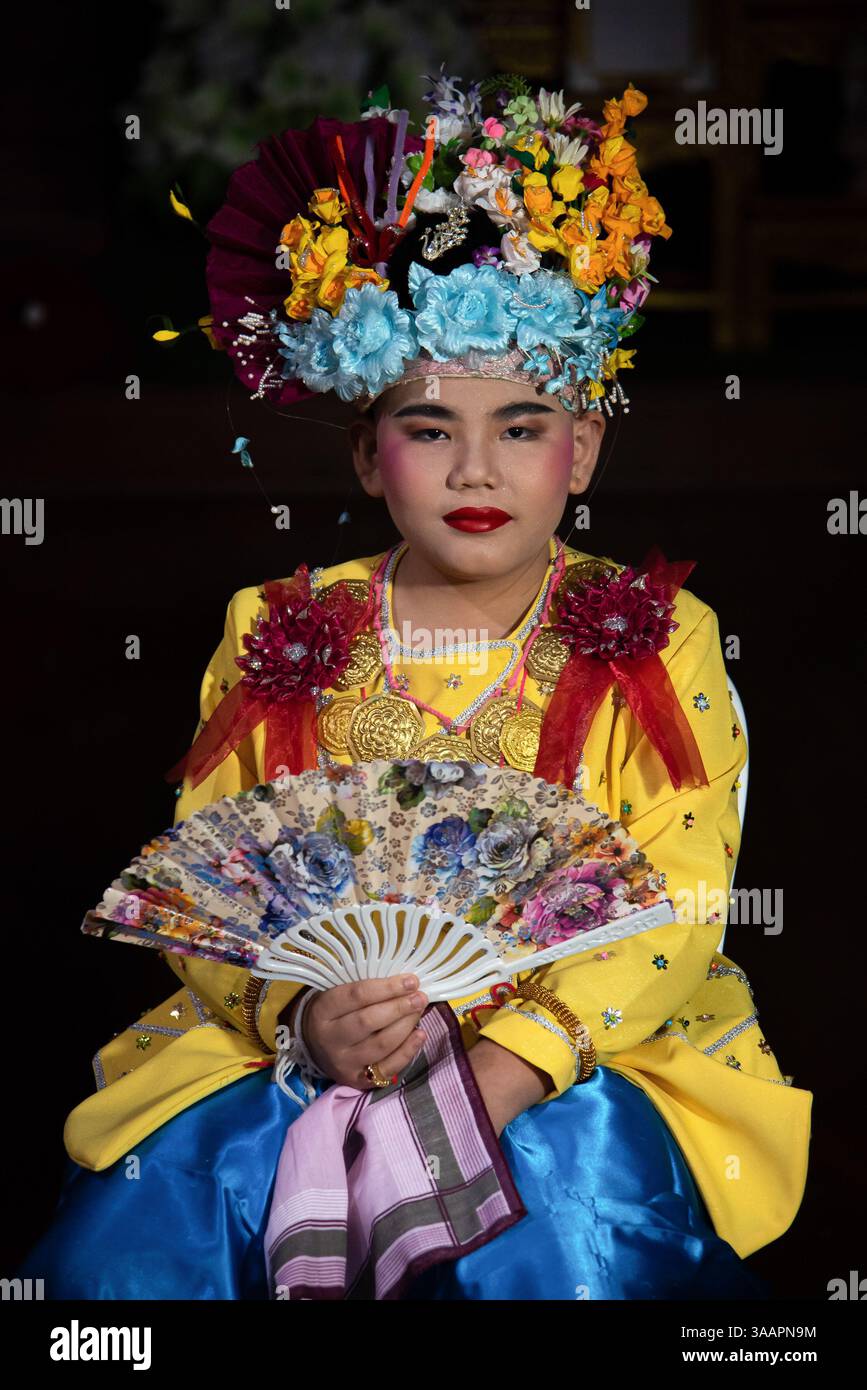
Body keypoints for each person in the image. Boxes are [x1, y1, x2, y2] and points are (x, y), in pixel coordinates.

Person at [17, 70, 811, 1300]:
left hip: (573, 1055)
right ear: (365, 451)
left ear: (585, 448)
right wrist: (302, 1020)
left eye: (524, 424)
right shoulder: (282, 623)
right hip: (313, 1041)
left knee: (548, 1216)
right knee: (155, 1224)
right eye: (430, 426)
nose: (475, 465)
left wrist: (505, 1067)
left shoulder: (657, 632)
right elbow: (210, 875)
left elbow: (681, 890)